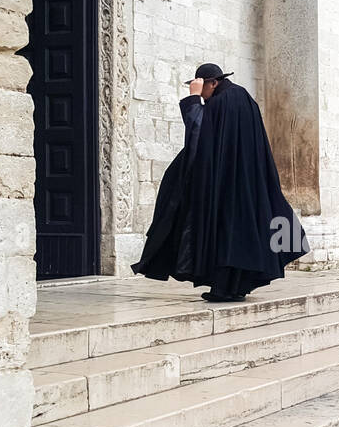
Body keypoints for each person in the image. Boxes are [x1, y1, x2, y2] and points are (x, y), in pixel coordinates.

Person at [131, 63, 310, 302]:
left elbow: (200, 131)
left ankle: (224, 289)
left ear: (212, 83)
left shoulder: (221, 102)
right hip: (245, 177)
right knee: (241, 230)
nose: (202, 94)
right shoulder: (244, 98)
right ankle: (234, 287)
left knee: (226, 230)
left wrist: (193, 100)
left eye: (201, 87)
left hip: (225, 179)